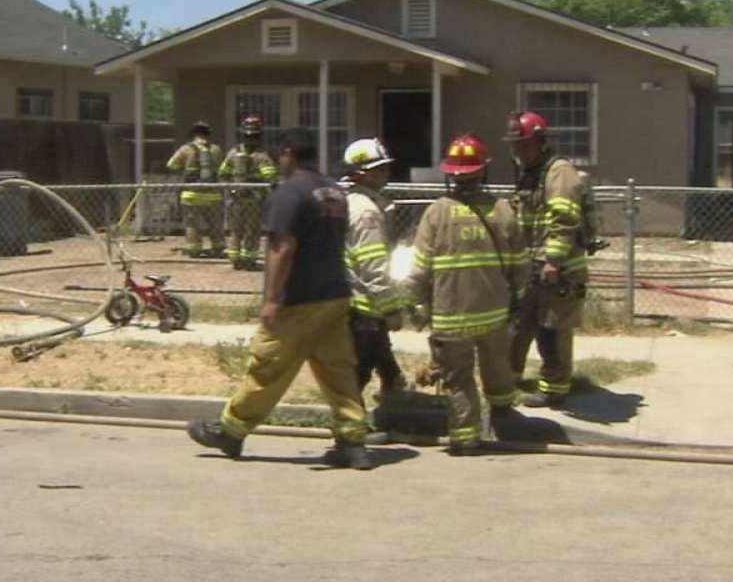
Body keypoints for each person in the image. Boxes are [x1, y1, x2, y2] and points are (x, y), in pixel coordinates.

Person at [186, 127, 377, 470]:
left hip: (299, 299)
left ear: (288, 153)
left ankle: (230, 431)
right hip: (334, 296)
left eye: (280, 156)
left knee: (268, 367)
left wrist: (271, 300)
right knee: (339, 372)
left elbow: (281, 248)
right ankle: (353, 442)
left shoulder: (289, 193)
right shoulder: (334, 191)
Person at [406, 132, 529, 455]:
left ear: (450, 175)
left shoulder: (436, 213)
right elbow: (520, 266)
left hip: (452, 316)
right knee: (497, 365)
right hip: (494, 314)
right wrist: (516, 297)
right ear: (483, 171)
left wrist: (414, 303)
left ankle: (465, 438)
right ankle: (503, 414)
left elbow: (420, 267)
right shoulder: (503, 211)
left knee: (457, 378)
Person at [504, 110, 588, 408]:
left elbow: (564, 218)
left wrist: (553, 260)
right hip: (531, 265)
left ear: (540, 141)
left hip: (559, 269)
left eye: (524, 145)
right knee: (517, 324)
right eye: (515, 146)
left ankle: (555, 387)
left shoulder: (558, 172)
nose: (518, 151)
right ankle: (507, 379)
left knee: (551, 329)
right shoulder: (530, 172)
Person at [339, 137, 410, 402]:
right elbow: (374, 267)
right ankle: (350, 427)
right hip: (365, 308)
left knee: (381, 355)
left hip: (357, 305)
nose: (387, 173)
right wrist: (391, 309)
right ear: (362, 174)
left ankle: (394, 390)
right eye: (380, 169)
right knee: (359, 370)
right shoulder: (366, 213)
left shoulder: (352, 203)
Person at [219, 115, 278, 271]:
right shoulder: (262, 156)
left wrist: (230, 189)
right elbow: (271, 179)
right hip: (254, 201)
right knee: (252, 231)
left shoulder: (232, 153)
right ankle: (249, 260)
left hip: (235, 200)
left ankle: (235, 259)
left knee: (235, 231)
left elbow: (223, 174)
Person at [164, 121, 224, 258]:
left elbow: (171, 165)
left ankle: (194, 250)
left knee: (192, 225)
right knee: (215, 223)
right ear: (208, 134)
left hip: (191, 194)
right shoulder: (216, 149)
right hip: (212, 194)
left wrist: (185, 168)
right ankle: (218, 248)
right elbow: (221, 168)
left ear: (192, 134)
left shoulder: (185, 149)